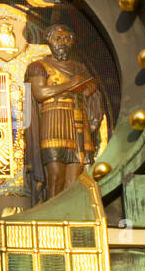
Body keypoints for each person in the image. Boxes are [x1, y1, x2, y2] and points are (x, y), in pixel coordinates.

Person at [24, 24, 103, 201]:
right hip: (53, 121)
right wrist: (71, 84)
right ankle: (52, 214)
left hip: (77, 121)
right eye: (57, 39)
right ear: (49, 42)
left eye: (66, 39)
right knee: (55, 175)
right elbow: (40, 93)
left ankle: (69, 214)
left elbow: (90, 89)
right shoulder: (38, 66)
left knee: (75, 177)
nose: (62, 43)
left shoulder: (79, 67)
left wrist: (87, 88)